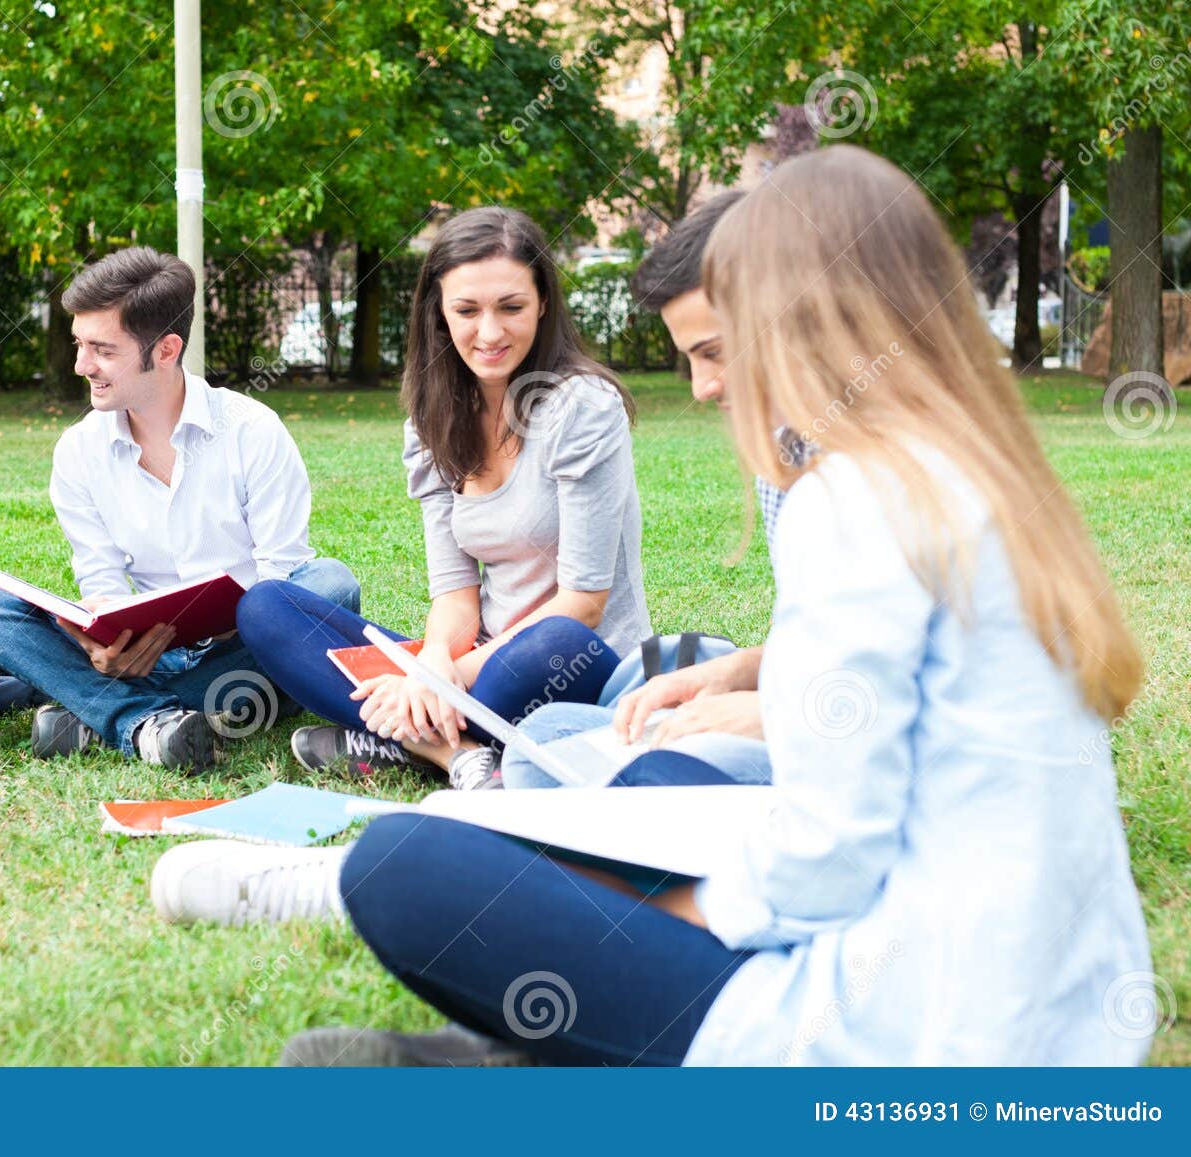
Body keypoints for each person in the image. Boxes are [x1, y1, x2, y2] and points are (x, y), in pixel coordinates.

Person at [282, 145, 1153, 1066]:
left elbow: (830, 859)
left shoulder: (855, 498)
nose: (703, 388)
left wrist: (652, 905)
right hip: (1063, 1019)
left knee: (404, 866)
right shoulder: (981, 476)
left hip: (906, 1029)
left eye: (714, 351)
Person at [231, 206, 649, 793]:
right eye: (466, 310)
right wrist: (429, 665)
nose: (490, 332)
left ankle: (405, 734)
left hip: (566, 664)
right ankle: (455, 752)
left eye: (511, 307)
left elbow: (584, 604)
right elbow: (455, 596)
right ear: (439, 313)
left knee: (551, 643)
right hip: (474, 664)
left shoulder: (581, 408)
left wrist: (440, 681)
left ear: (544, 304)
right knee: (268, 606)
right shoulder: (432, 423)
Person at [0, 247, 359, 771]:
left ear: (165, 349)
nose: (81, 366)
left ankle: (96, 713)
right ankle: (144, 717)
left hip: (240, 644)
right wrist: (107, 649)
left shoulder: (252, 431)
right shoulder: (79, 450)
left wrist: (233, 625)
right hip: (142, 653)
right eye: (79, 345)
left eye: (102, 349)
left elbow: (280, 573)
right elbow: (100, 577)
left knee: (331, 585)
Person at [501, 191, 778, 790]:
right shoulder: (786, 458)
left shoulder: (896, 468)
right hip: (801, 701)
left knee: (632, 764)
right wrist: (736, 673)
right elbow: (825, 644)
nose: (702, 388)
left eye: (716, 354)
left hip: (855, 749)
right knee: (537, 746)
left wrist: (774, 712)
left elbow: (923, 688)